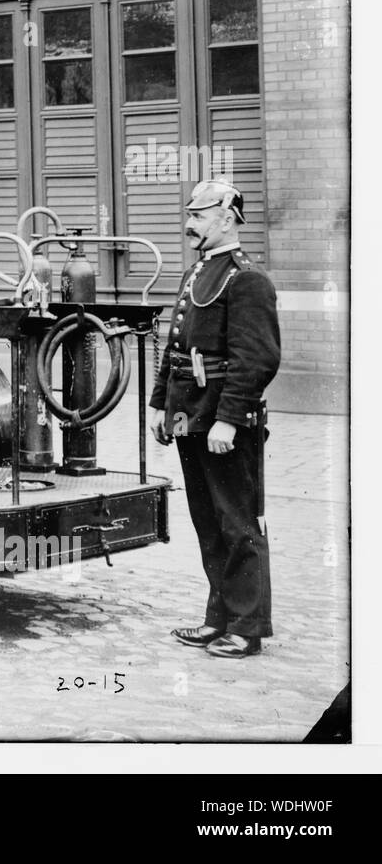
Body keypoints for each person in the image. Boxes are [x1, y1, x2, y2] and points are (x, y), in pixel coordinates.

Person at [149, 180, 281, 659]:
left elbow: (257, 359)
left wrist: (229, 419)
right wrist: (161, 407)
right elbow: (176, 349)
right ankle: (218, 619)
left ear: (226, 219)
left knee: (238, 522)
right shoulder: (198, 274)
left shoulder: (246, 279)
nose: (189, 224)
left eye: (199, 216)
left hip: (224, 422)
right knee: (208, 522)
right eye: (189, 215)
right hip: (190, 415)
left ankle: (248, 628)